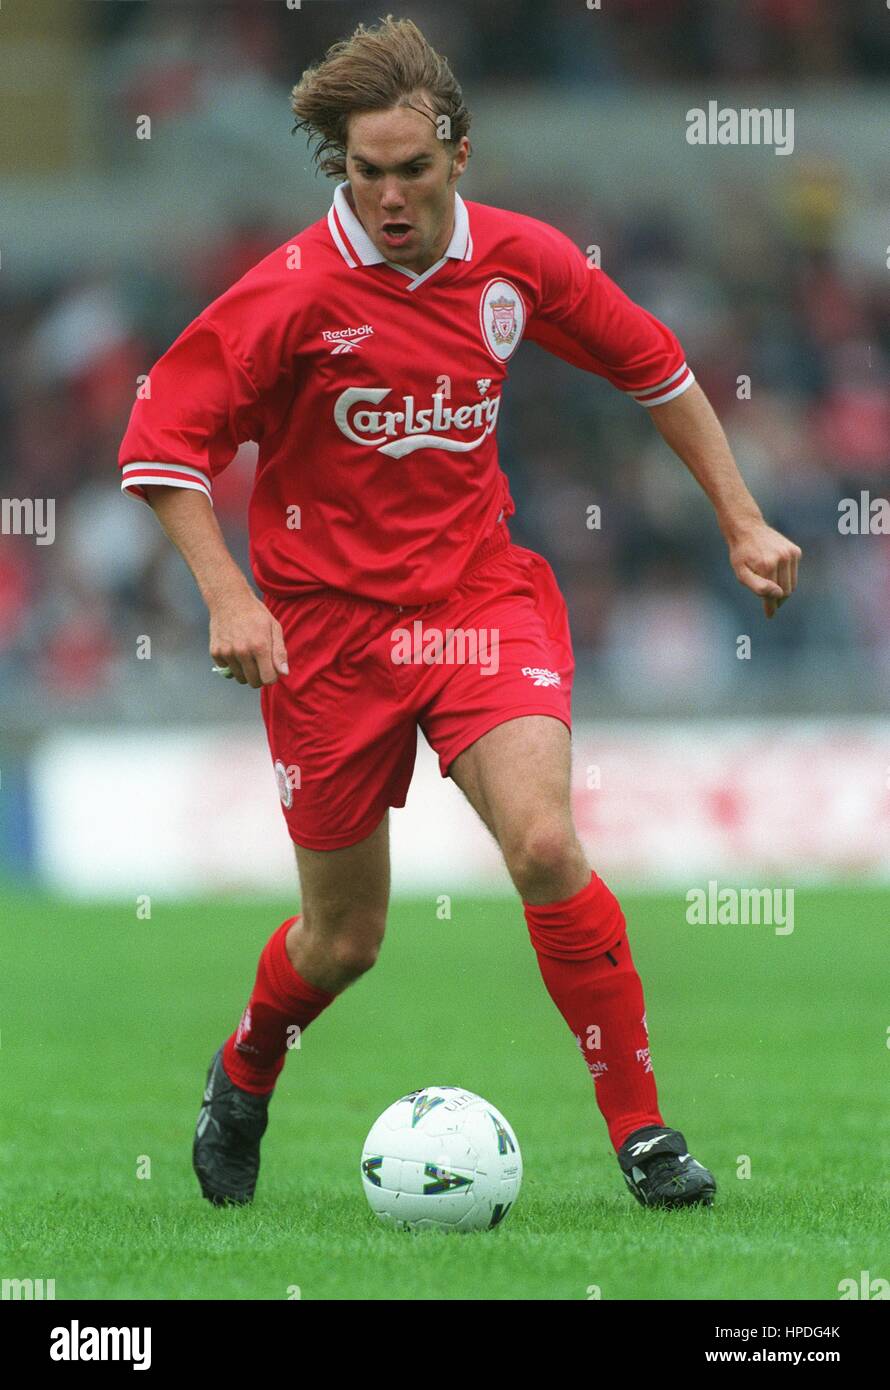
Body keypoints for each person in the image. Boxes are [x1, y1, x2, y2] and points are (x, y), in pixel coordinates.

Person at [118, 17, 801, 1211]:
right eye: (366, 172)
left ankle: (641, 1133)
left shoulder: (519, 262)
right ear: (342, 167)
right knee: (345, 940)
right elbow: (159, 444)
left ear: (459, 157)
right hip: (323, 637)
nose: (389, 195)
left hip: (476, 601)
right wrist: (228, 595)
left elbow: (656, 366)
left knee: (542, 844)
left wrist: (741, 519)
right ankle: (245, 1067)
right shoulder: (285, 295)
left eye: (412, 171)